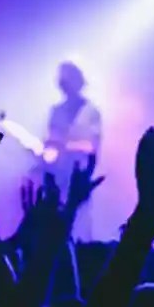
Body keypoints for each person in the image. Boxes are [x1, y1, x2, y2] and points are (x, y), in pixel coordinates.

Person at [46, 61, 103, 237]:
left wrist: (66, 146)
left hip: (80, 177)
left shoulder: (91, 111)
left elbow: (92, 146)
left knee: (80, 225)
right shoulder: (56, 111)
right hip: (58, 177)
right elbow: (51, 142)